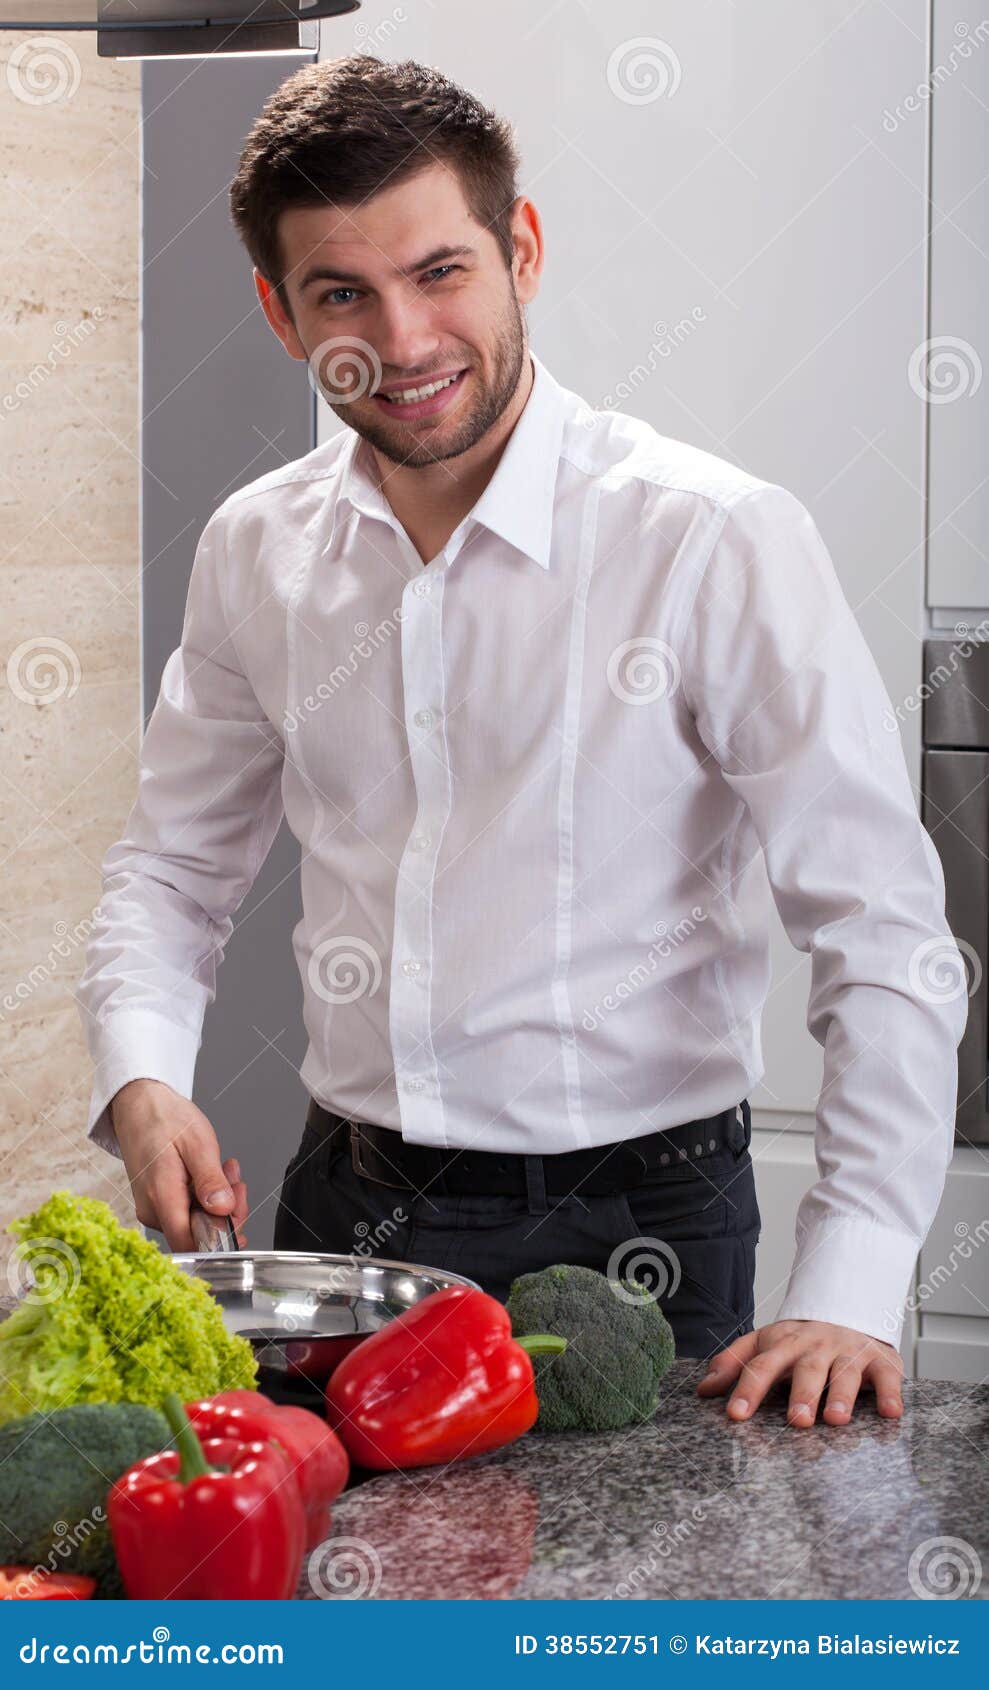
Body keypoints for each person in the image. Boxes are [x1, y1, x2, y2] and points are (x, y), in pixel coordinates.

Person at [76, 55, 965, 1428]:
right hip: (348, 1220)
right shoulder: (258, 547)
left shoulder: (708, 538)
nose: (405, 336)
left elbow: (884, 924)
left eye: (441, 271)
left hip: (637, 1232)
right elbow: (172, 870)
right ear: (276, 311)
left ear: (521, 249)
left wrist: (848, 1281)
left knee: (608, 1637)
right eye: (341, 294)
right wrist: (143, 1075)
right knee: (344, 1625)